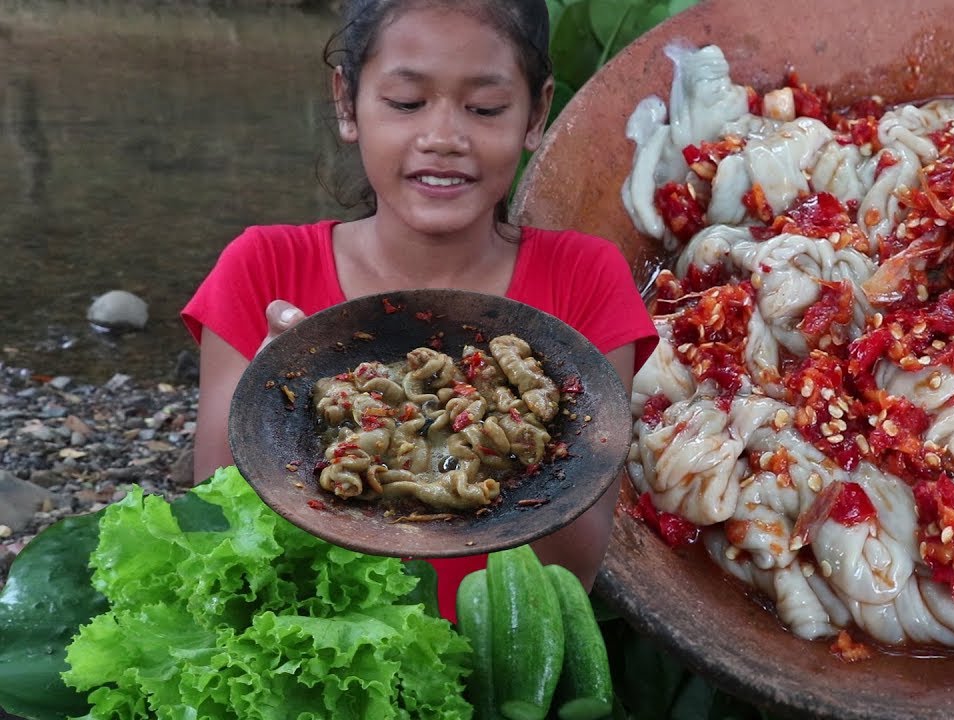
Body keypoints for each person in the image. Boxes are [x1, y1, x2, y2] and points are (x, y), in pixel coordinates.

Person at [181, 0, 657, 622]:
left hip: (495, 655)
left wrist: (533, 449)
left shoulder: (583, 278)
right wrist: (265, 416)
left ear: (536, 114)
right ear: (347, 103)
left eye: (484, 109)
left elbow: (573, 569)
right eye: (406, 103)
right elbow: (213, 521)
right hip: (316, 639)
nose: (443, 139)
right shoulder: (265, 269)